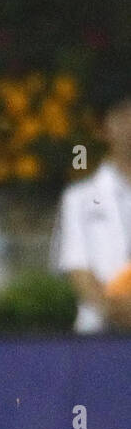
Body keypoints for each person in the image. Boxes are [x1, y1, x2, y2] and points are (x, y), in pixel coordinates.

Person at [52, 74, 131, 333]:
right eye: (122, 114)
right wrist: (113, 309)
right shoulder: (78, 198)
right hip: (98, 337)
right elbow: (77, 269)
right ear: (103, 128)